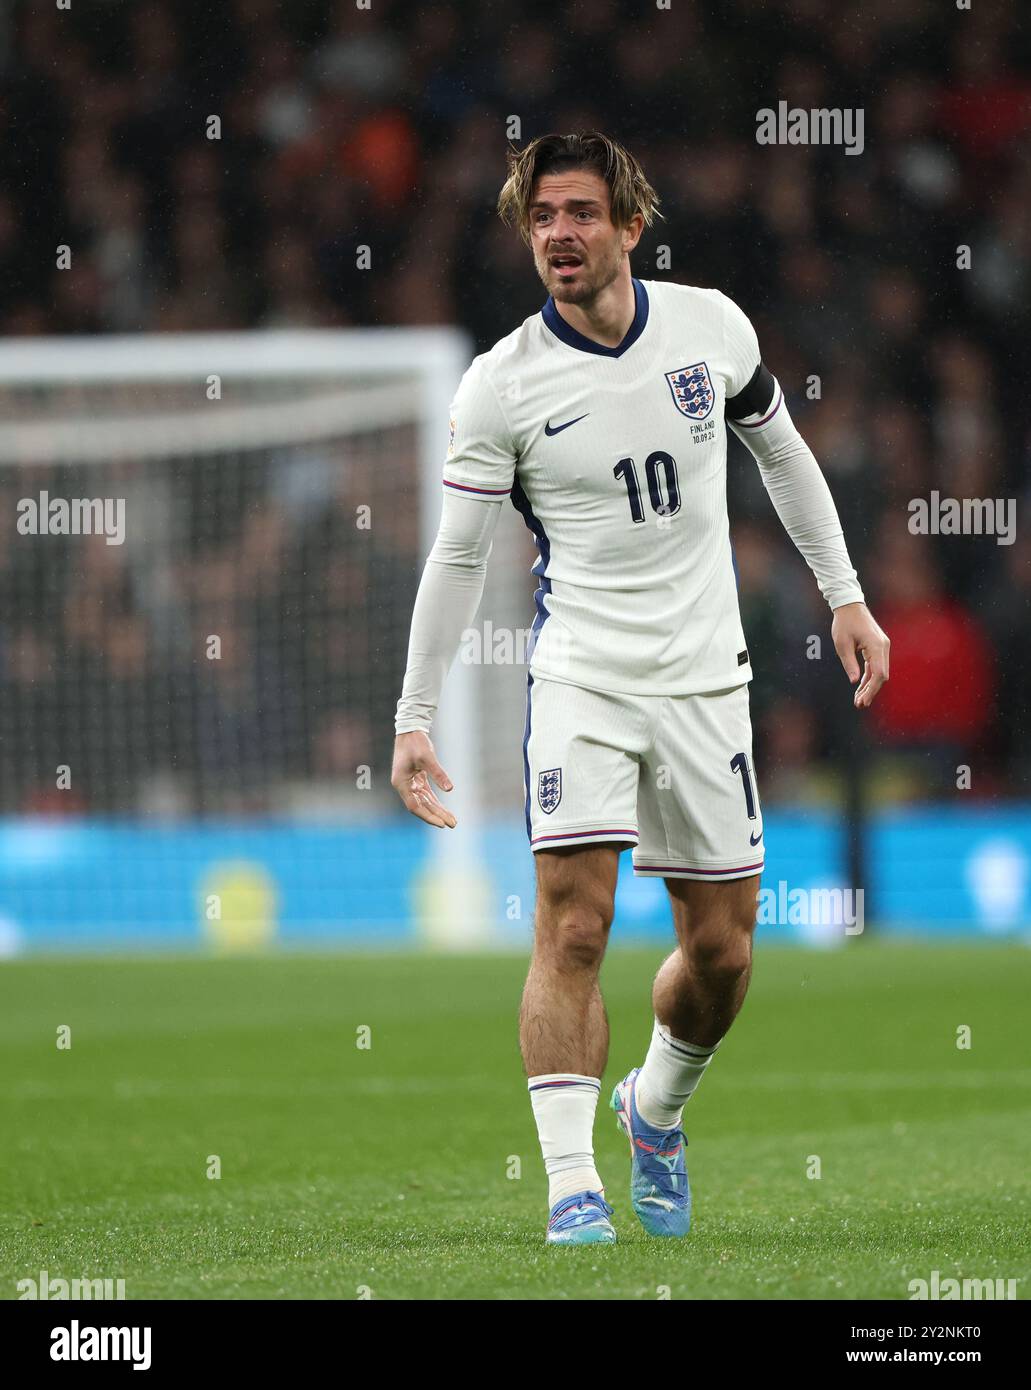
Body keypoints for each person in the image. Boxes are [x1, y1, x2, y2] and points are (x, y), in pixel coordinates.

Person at [392, 132, 890, 1245]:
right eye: (539, 218)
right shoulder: (502, 384)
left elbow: (784, 456)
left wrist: (845, 595)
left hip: (704, 680)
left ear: (628, 224)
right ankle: (572, 1186)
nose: (557, 234)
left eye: (578, 212)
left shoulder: (709, 327)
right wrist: (413, 716)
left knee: (720, 952)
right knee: (572, 926)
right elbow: (457, 560)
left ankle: (652, 1109)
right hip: (581, 678)